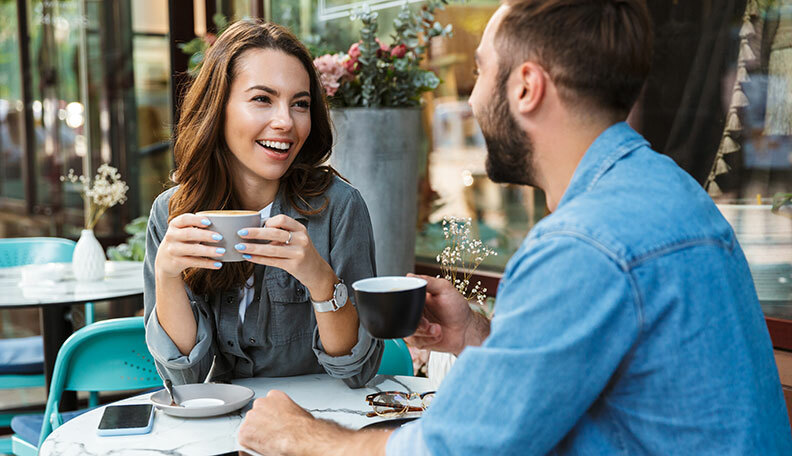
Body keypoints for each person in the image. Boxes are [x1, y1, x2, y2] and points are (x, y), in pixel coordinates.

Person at [237, 0, 792, 454]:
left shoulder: (583, 242)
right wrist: (477, 336)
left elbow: (455, 451)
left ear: (526, 86)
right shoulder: (665, 190)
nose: (471, 97)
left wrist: (302, 435)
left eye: (480, 71)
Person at [143, 20, 382, 388]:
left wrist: (320, 280)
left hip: (316, 426)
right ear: (218, 108)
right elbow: (184, 377)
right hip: (223, 429)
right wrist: (168, 277)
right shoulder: (173, 213)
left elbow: (356, 372)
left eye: (299, 104)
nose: (286, 121)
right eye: (262, 99)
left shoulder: (340, 207)